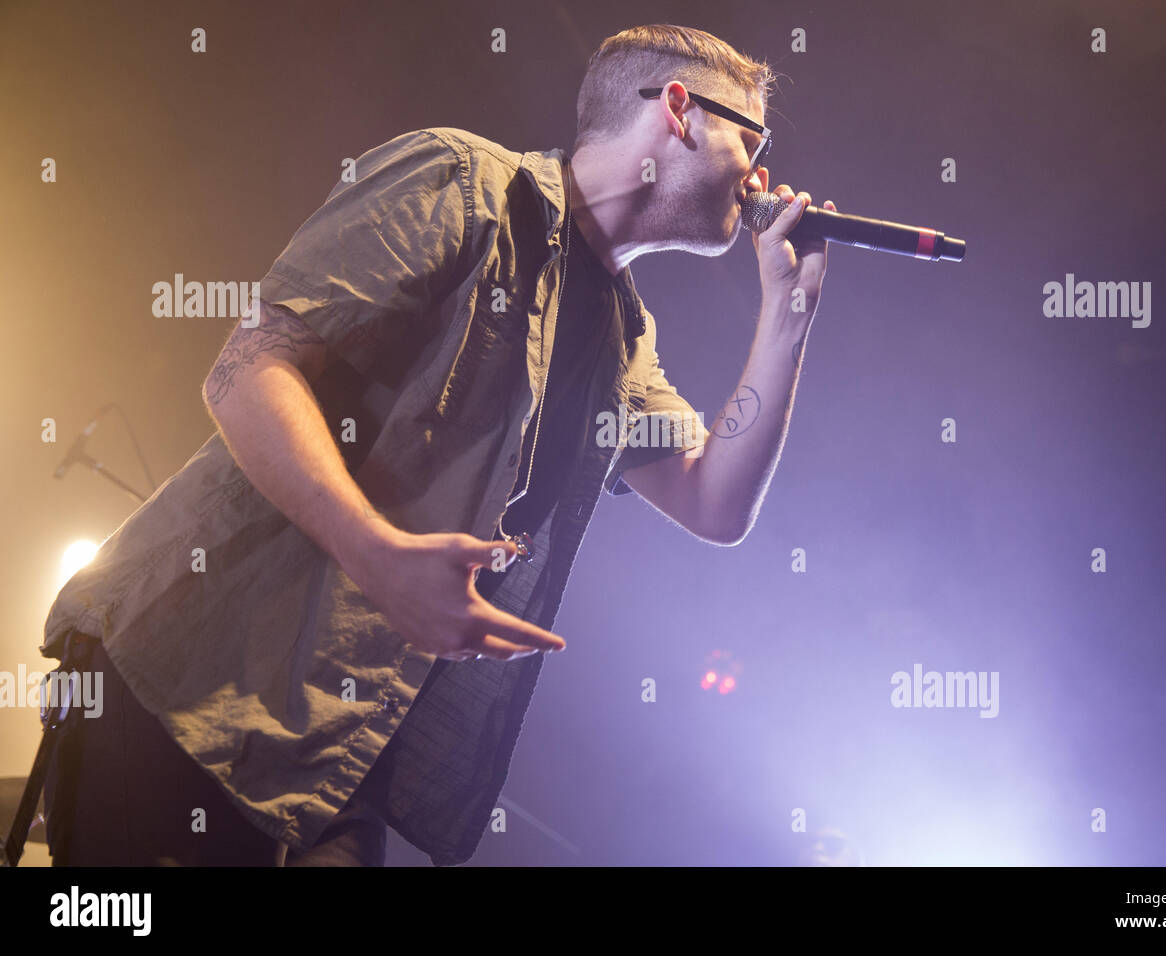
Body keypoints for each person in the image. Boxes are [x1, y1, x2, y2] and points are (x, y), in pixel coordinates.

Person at [38, 23, 836, 866]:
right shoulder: (462, 183)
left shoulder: (621, 339)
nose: (760, 170)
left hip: (336, 767)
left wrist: (788, 313)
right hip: (189, 687)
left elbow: (715, 503)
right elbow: (245, 371)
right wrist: (378, 555)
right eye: (752, 137)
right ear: (678, 110)